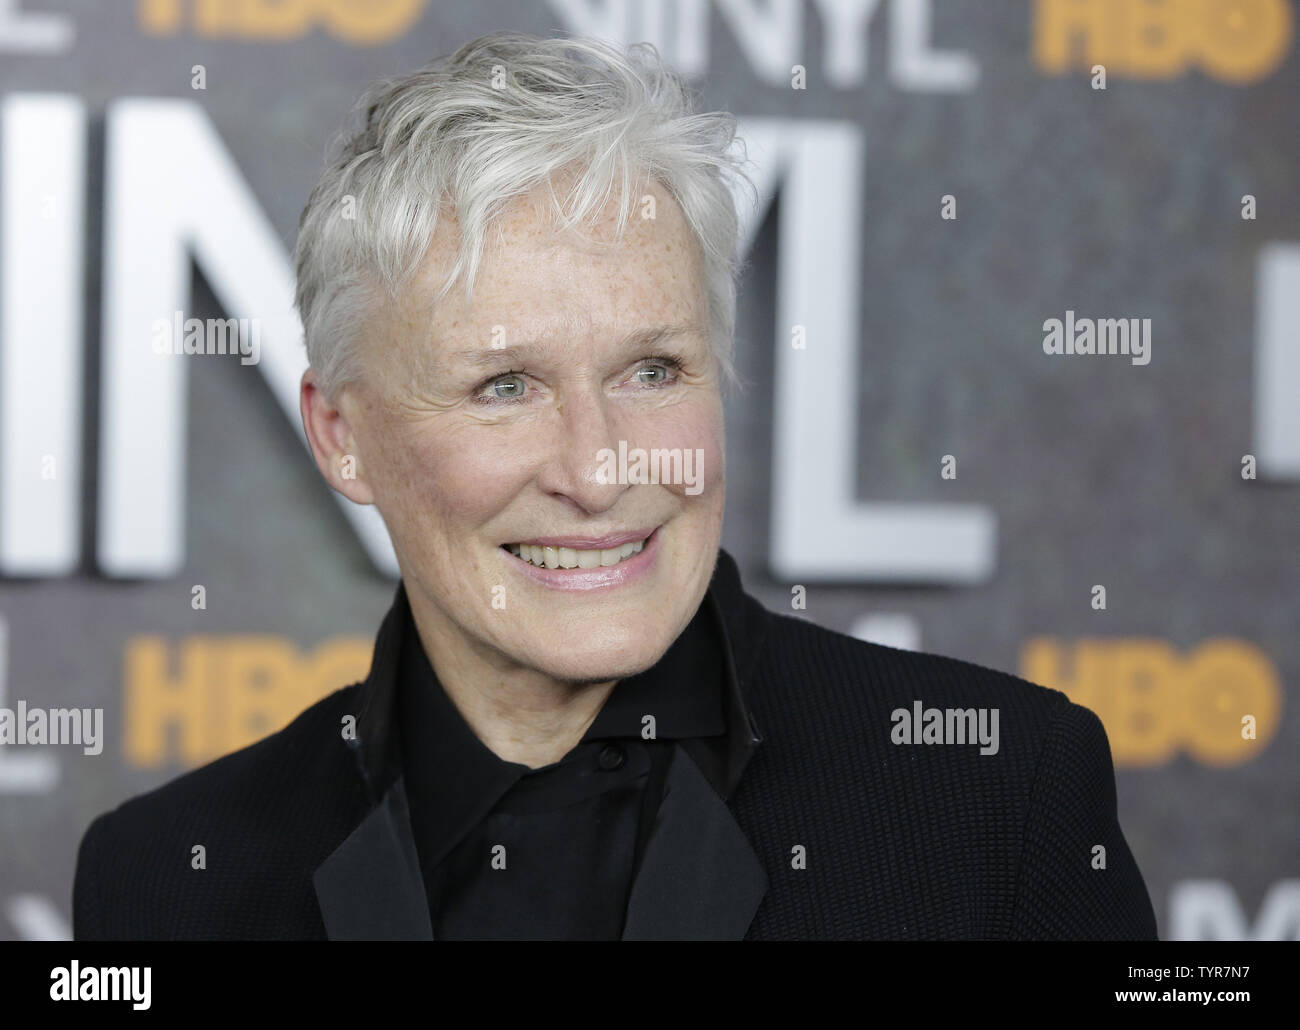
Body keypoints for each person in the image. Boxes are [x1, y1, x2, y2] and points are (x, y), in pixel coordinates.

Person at [72, 31, 1157, 940]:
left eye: (652, 371)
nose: (599, 469)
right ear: (340, 434)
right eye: (503, 385)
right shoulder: (166, 881)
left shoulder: (995, 799)